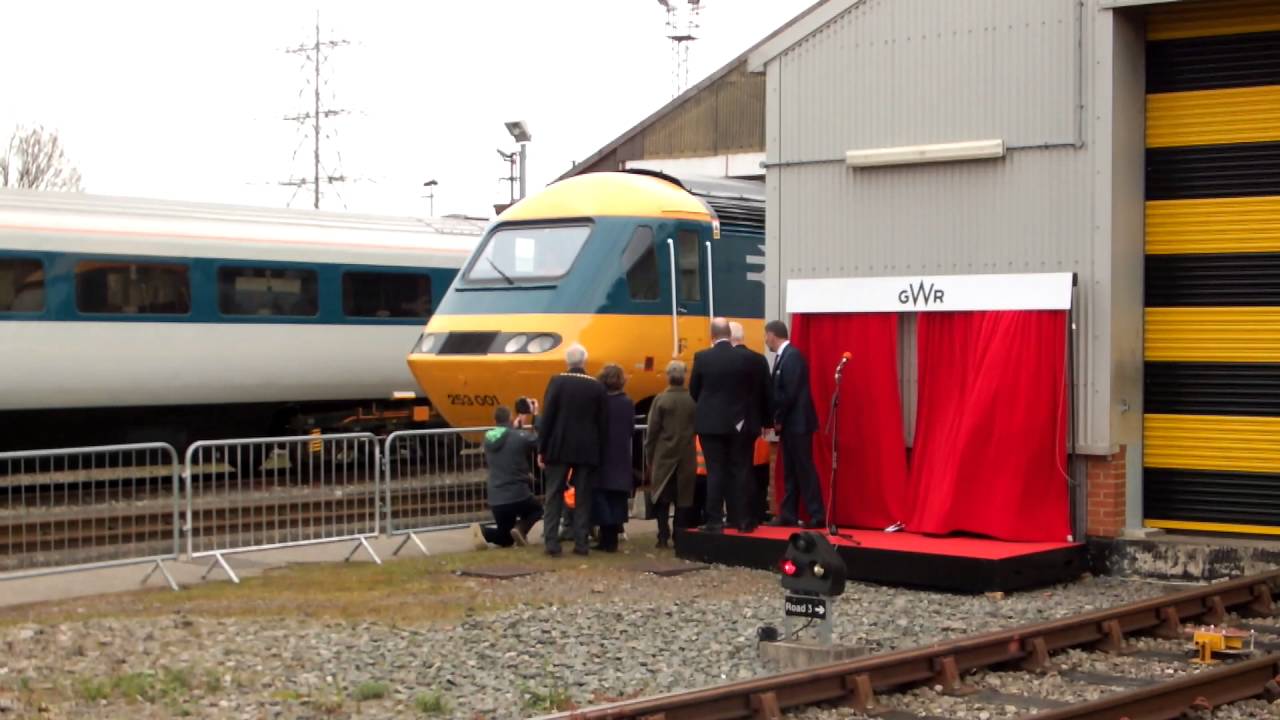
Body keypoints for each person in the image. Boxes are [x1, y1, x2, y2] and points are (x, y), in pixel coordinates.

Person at [538, 343, 607, 556]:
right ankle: (581, 543)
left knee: (553, 494)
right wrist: (600, 450)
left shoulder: (557, 382)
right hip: (587, 448)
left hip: (559, 446)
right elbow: (602, 423)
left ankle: (551, 542)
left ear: (567, 361)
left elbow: (547, 417)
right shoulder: (596, 386)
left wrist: (542, 447)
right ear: (584, 361)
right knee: (583, 496)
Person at [689, 317, 755, 533]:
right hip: (737, 423)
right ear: (729, 334)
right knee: (739, 470)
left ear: (712, 335)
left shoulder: (702, 357)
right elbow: (750, 390)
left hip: (709, 424)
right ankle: (742, 519)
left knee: (715, 471)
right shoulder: (744, 358)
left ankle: (714, 520)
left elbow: (694, 391)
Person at [765, 320, 826, 528]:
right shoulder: (784, 357)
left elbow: (788, 393)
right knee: (790, 470)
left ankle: (817, 514)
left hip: (798, 424)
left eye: (766, 336)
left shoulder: (792, 357)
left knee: (804, 468)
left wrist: (778, 418)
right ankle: (788, 514)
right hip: (791, 424)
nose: (766, 341)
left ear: (773, 335)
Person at [471, 406, 544, 549]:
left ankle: (483, 531)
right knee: (537, 510)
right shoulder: (519, 436)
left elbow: (506, 438)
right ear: (511, 419)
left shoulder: (488, 437)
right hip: (518, 494)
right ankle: (521, 528)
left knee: (506, 538)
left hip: (496, 498)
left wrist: (515, 428)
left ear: (494, 421)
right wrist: (536, 415)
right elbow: (539, 440)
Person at [645, 360, 697, 548]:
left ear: (668, 377)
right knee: (683, 498)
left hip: (663, 455)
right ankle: (679, 535)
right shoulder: (692, 400)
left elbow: (652, 431)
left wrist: (650, 456)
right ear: (685, 377)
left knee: (662, 497)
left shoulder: (661, 400)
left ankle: (662, 535)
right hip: (686, 455)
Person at [730, 321, 775, 530]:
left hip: (729, 424)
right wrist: (767, 421)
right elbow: (767, 393)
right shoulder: (759, 359)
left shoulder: (725, 359)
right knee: (746, 468)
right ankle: (749, 516)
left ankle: (734, 515)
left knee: (729, 470)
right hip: (752, 424)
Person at [593, 364, 635, 552]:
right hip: (621, 453)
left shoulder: (599, 403)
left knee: (602, 496)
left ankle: (606, 539)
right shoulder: (627, 402)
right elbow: (631, 428)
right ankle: (612, 539)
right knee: (617, 498)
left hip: (603, 454)